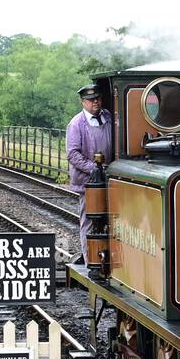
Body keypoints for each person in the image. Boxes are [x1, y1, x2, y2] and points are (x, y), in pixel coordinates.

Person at [66, 84, 113, 264]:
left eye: (98, 99)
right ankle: (89, 260)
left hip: (109, 177)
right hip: (88, 181)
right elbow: (72, 153)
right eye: (91, 100)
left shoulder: (108, 117)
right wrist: (93, 168)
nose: (95, 102)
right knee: (88, 219)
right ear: (83, 102)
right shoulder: (76, 124)